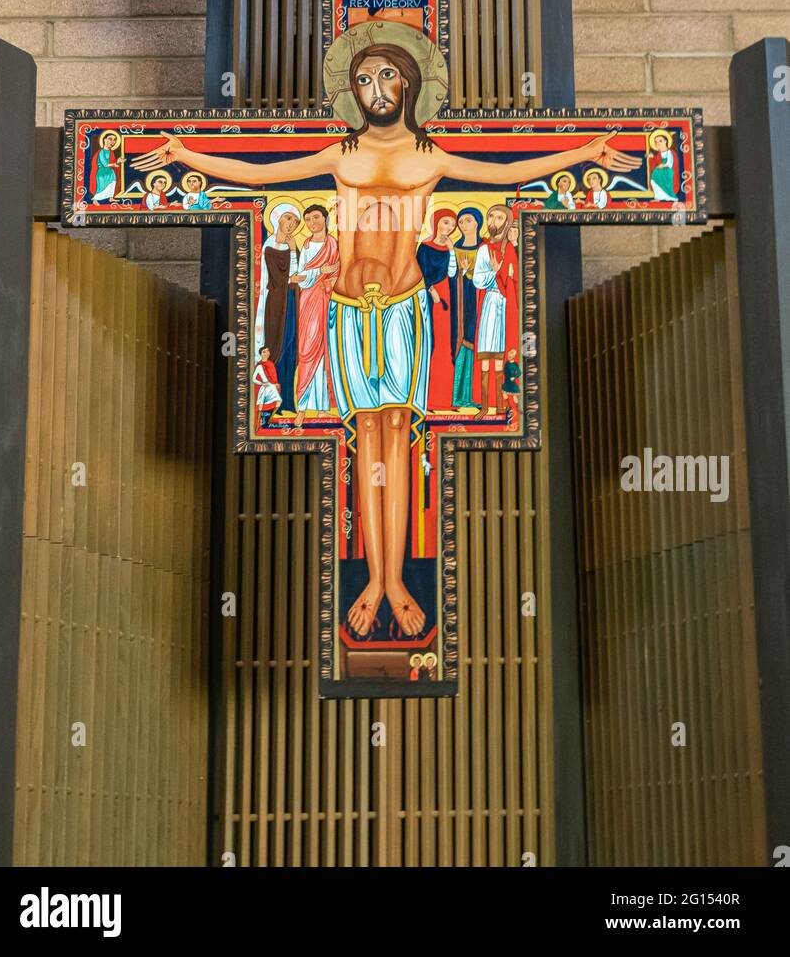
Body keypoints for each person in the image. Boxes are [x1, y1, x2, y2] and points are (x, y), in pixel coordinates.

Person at [134, 36, 639, 640]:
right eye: (364, 81)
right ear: (353, 92)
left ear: (408, 83)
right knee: (364, 441)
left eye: (386, 77)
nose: (375, 91)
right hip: (348, 310)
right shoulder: (339, 153)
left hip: (403, 311)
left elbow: (509, 172)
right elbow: (258, 174)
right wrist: (184, 154)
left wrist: (583, 151)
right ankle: (373, 581)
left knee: (397, 436)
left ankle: (392, 581)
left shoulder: (431, 157)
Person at [290, 203, 340, 425]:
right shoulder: (307, 245)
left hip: (328, 300)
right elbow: (299, 276)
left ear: (326, 219)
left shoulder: (333, 244)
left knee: (327, 351)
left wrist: (331, 278)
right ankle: (302, 407)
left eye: (316, 217)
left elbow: (339, 270)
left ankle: (322, 409)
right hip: (309, 301)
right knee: (308, 350)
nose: (312, 222)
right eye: (308, 219)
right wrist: (320, 271)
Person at [472, 203, 520, 413]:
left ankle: (501, 405)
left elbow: (515, 277)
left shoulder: (510, 249)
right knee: (486, 354)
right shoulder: (484, 249)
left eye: (499, 218)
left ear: (507, 222)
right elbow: (477, 279)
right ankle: (484, 405)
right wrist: (495, 272)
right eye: (491, 216)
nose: (493, 221)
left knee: (501, 354)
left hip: (507, 304)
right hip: (490, 303)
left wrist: (504, 275)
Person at [255, 201, 301, 413]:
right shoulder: (269, 247)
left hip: (291, 300)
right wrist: (292, 275)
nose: (291, 224)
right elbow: (279, 277)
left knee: (291, 345)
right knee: (277, 346)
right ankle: (275, 401)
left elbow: (297, 272)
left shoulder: (293, 247)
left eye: (295, 221)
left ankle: (288, 401)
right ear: (277, 219)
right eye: (288, 218)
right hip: (275, 303)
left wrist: (293, 252)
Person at [416, 208, 458, 411]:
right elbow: (419, 273)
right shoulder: (425, 248)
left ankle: (445, 399)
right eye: (445, 222)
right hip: (430, 297)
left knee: (446, 343)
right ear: (436, 223)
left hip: (446, 296)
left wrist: (451, 250)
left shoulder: (449, 248)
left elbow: (452, 273)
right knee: (430, 342)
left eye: (452, 224)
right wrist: (432, 291)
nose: (449, 227)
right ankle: (428, 400)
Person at [449, 206, 484, 410]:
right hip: (461, 302)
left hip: (479, 301)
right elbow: (451, 277)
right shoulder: (456, 248)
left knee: (476, 343)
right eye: (460, 222)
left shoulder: (484, 247)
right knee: (462, 344)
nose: (463, 225)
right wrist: (462, 272)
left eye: (468, 220)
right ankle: (458, 397)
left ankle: (472, 395)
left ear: (478, 223)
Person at [90, 130, 121, 204]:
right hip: (102, 173)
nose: (112, 142)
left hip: (110, 172)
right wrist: (114, 164)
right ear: (104, 140)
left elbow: (113, 164)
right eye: (110, 139)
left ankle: (111, 198)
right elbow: (105, 164)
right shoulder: (101, 152)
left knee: (112, 184)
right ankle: (95, 200)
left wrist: (118, 162)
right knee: (101, 187)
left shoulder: (111, 152)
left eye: (114, 140)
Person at [253, 347, 281, 428]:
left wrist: (276, 383)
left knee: (279, 401)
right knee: (260, 405)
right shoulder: (259, 366)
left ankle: (270, 418)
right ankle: (258, 423)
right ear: (261, 354)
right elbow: (253, 379)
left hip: (272, 386)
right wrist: (261, 383)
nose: (266, 353)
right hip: (264, 387)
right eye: (264, 352)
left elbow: (273, 376)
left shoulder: (271, 364)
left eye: (267, 351)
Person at [648, 130, 679, 201]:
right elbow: (657, 162)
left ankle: (670, 197)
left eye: (660, 141)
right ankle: (658, 197)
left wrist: (663, 165)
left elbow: (670, 163)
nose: (658, 143)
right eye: (656, 142)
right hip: (660, 171)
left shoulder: (669, 152)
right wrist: (652, 157)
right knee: (654, 179)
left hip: (668, 171)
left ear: (665, 141)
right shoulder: (659, 154)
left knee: (659, 176)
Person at [502, 348, 521, 428]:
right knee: (504, 394)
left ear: (514, 356)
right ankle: (508, 406)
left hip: (512, 383)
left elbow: (519, 373)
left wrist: (514, 377)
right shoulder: (506, 363)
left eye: (511, 356)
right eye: (509, 355)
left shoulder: (515, 364)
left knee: (515, 397)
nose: (509, 356)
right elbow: (504, 371)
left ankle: (518, 408)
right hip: (506, 382)